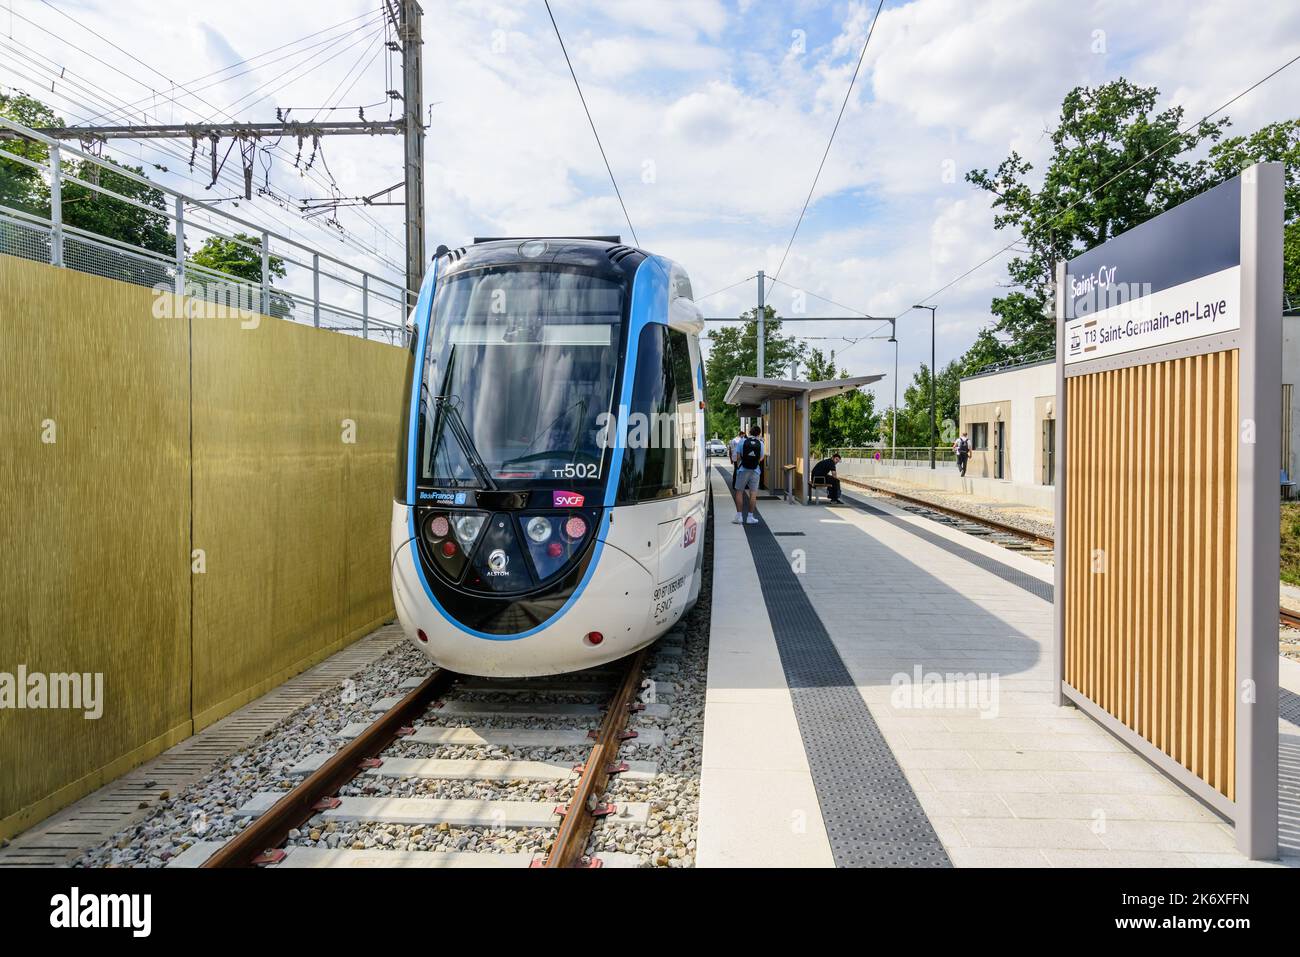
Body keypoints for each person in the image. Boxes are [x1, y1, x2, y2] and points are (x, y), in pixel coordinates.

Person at [733, 425, 765, 524]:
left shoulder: (742, 441)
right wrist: (754, 463)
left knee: (739, 492)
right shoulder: (760, 443)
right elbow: (762, 457)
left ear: (750, 432)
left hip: (743, 469)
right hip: (755, 470)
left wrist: (740, 466)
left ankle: (739, 517)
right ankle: (750, 517)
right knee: (753, 493)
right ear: (759, 433)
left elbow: (737, 457)